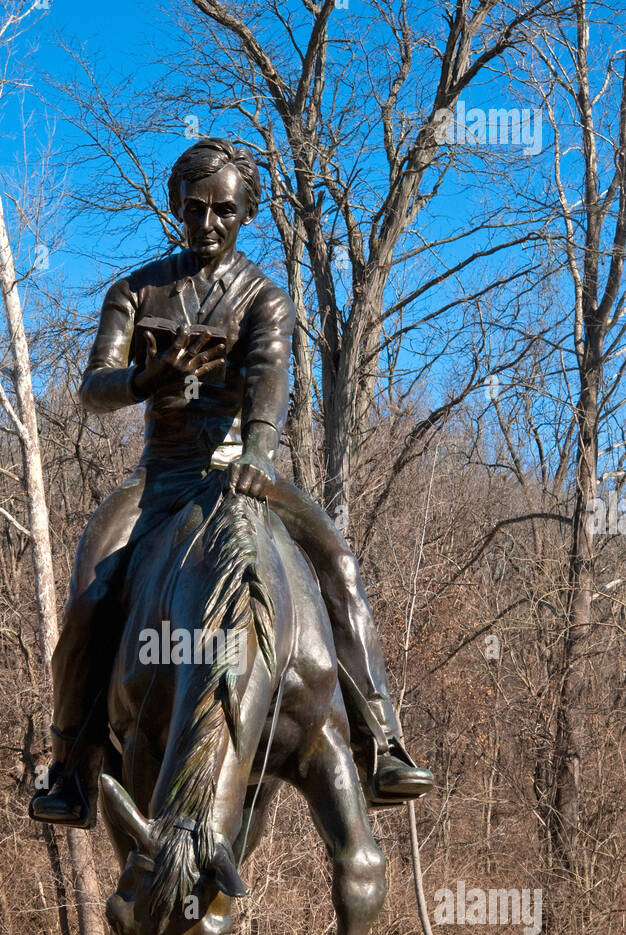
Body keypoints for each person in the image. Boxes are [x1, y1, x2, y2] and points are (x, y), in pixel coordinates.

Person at [30, 138, 432, 828]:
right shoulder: (136, 290)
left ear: (245, 211)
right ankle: (70, 765)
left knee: (337, 562)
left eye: (222, 210)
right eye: (194, 209)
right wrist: (143, 380)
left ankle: (380, 741)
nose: (207, 223)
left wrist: (261, 447)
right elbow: (92, 388)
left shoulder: (263, 299)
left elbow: (270, 377)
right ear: (176, 207)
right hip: (160, 480)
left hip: (241, 471)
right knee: (92, 598)